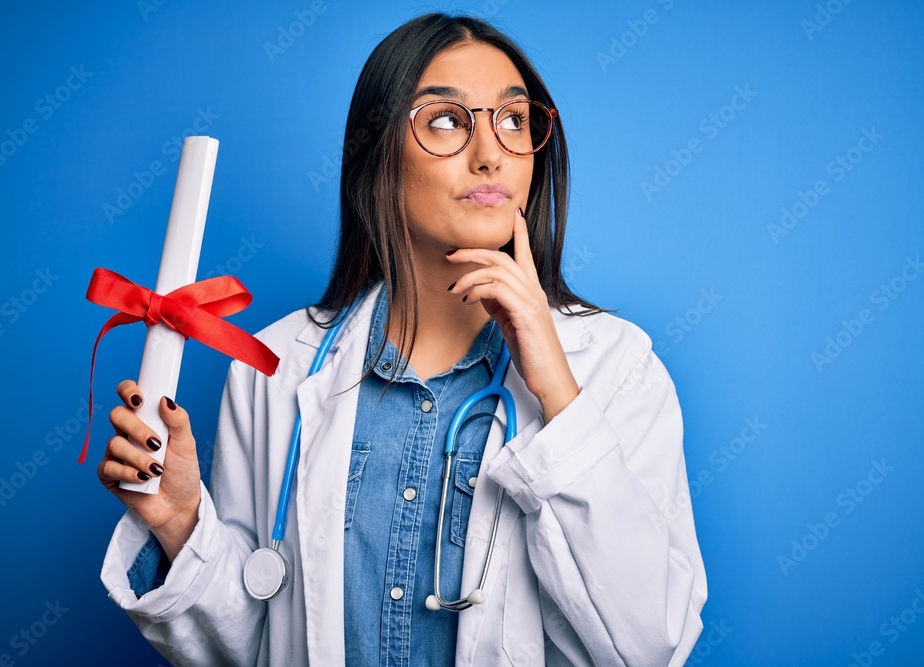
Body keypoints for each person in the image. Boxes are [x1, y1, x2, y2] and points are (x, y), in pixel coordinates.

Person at [98, 12, 706, 666]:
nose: (490, 151)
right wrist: (180, 521)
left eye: (513, 119)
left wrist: (558, 391)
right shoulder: (274, 369)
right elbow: (254, 643)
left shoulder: (618, 369)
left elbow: (648, 644)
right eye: (445, 120)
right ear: (379, 156)